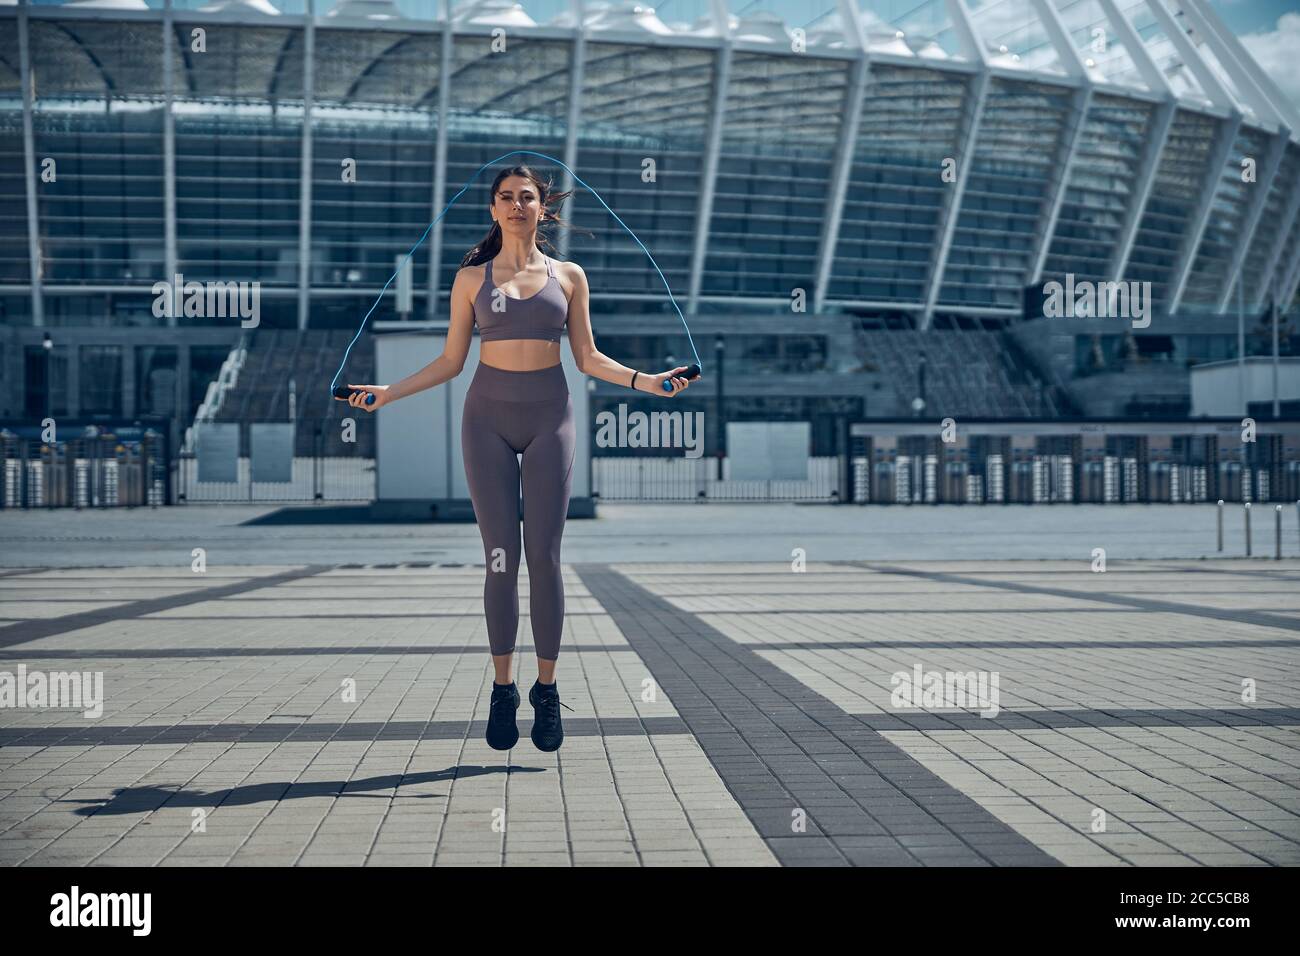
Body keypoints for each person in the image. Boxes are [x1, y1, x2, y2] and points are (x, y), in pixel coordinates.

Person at [336, 164, 696, 752]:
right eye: (505, 197)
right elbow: (451, 362)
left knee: (545, 558)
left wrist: (647, 382)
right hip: (487, 422)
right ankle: (503, 689)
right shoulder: (471, 279)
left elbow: (587, 358)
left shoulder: (569, 276)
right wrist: (387, 394)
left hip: (550, 418)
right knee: (501, 558)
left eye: (526, 197)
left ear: (542, 206)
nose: (516, 205)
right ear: (492, 209)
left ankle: (546, 690)